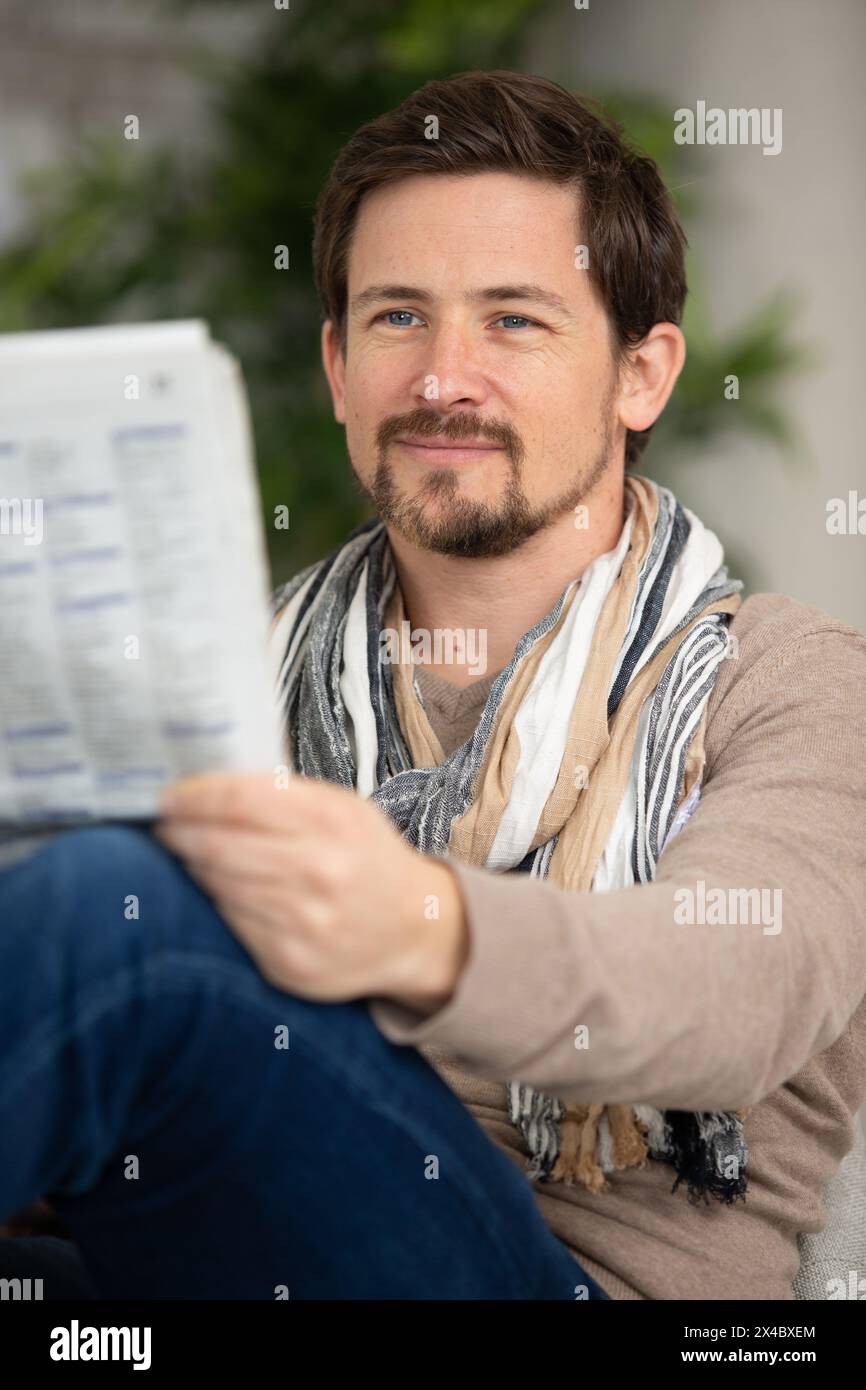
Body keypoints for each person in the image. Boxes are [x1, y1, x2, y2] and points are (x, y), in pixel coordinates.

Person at [2, 70, 864, 1301]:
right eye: (398, 318)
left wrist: (411, 925)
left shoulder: (795, 683)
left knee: (127, 912)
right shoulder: (220, 673)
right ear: (340, 367)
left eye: (513, 321)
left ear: (641, 374)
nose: (442, 378)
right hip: (181, 1263)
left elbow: (731, 985)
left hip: (561, 1283)